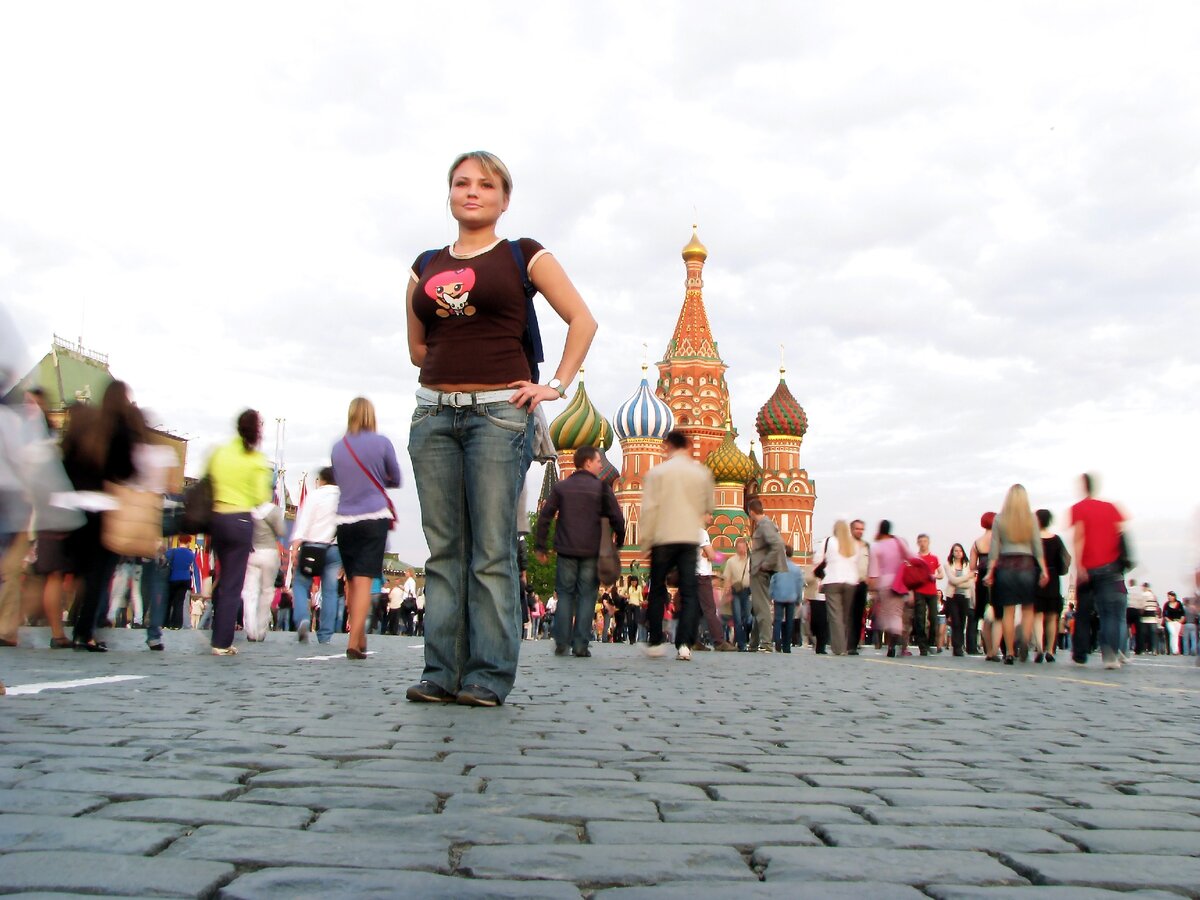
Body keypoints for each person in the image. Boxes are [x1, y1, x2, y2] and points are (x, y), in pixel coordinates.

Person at [405, 151, 597, 706]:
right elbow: (418, 347)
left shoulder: (523, 255)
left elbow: (582, 319)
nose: (472, 192)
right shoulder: (425, 264)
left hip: (499, 413)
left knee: (490, 549)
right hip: (434, 412)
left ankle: (488, 675)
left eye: (485, 185)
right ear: (449, 194)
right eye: (462, 183)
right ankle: (441, 671)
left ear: (503, 199)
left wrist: (556, 386)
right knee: (444, 550)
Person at [59, 381, 151, 652]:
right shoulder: (119, 431)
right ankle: (84, 631)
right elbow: (127, 470)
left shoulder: (87, 428)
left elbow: (65, 464)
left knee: (80, 572)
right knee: (98, 575)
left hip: (77, 507)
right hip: (106, 510)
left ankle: (73, 624)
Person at [534, 444, 624, 658]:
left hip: (565, 550)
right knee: (586, 596)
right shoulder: (602, 488)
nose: (600, 464)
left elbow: (545, 516)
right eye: (598, 461)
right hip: (591, 552)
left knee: (565, 595)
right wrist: (617, 543)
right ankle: (581, 644)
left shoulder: (562, 487)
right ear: (587, 462)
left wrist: (540, 545)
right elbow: (618, 519)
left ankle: (561, 641)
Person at [330, 397, 400, 661]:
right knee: (364, 579)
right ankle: (353, 639)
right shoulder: (382, 443)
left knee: (351, 581)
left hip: (345, 519)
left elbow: (340, 479)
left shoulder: (338, 447)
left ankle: (359, 636)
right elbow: (395, 476)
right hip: (373, 517)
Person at [640, 430, 715, 661]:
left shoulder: (658, 473)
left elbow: (649, 508)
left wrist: (645, 541)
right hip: (689, 537)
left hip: (663, 537)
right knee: (689, 592)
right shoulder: (702, 473)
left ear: (669, 446)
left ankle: (655, 641)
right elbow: (708, 508)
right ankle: (684, 644)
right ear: (688, 446)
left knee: (657, 591)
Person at [207, 409, 272, 656]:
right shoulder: (255, 459)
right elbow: (260, 496)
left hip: (217, 518)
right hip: (241, 520)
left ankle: (215, 628)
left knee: (220, 578)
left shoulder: (220, 452)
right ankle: (222, 641)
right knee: (233, 584)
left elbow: (209, 480)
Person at [1068, 473, 1127, 669]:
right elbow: (1120, 533)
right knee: (1109, 613)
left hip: (1088, 566)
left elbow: (1079, 536)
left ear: (1082, 487)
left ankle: (1080, 653)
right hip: (1110, 566)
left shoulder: (1078, 508)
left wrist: (1079, 565)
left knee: (1083, 611)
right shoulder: (1111, 507)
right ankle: (1110, 654)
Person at [985, 485, 1048, 665]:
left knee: (1008, 611)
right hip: (1027, 565)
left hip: (1005, 565)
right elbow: (1037, 547)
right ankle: (1024, 644)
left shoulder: (999, 519)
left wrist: (990, 571)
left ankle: (1010, 651)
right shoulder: (1032, 519)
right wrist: (1043, 569)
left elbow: (994, 549)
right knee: (1028, 609)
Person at [289, 467, 341, 644]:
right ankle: (325, 635)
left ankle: (303, 618)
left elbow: (303, 523)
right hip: (334, 549)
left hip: (311, 546)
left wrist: (295, 548)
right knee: (330, 592)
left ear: (322, 480)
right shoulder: (344, 497)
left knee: (300, 584)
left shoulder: (315, 496)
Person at [811, 521, 857, 656]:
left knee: (835, 615)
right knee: (846, 615)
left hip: (832, 581)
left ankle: (839, 648)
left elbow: (817, 561)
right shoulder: (852, 543)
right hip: (850, 582)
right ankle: (848, 644)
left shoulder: (827, 542)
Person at [242, 498, 285, 642]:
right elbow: (281, 531)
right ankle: (261, 629)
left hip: (252, 553)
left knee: (250, 593)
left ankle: (250, 629)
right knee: (266, 592)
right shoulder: (273, 510)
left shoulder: (247, 508)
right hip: (269, 553)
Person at [868, 520, 912, 657]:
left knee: (887, 613)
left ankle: (891, 642)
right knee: (897, 613)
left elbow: (873, 570)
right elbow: (911, 557)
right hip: (899, 582)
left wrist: (873, 588)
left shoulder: (876, 547)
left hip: (884, 583)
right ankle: (894, 637)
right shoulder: (899, 542)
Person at [748, 498, 787, 653]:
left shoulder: (764, 525)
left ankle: (766, 643)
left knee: (762, 606)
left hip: (760, 570)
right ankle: (754, 643)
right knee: (759, 605)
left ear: (751, 511)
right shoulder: (765, 524)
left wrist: (766, 563)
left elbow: (778, 544)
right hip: (760, 569)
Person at [695, 514, 736, 651]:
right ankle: (719, 641)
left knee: (694, 610)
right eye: (709, 514)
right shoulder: (701, 532)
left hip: (692, 574)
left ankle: (692, 640)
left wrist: (708, 554)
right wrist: (720, 557)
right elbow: (712, 555)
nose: (711, 517)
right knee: (710, 609)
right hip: (702, 575)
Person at [1034, 509, 1071, 663]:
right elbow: (1067, 557)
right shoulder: (1056, 539)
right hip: (1054, 578)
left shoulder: (1033, 539)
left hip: (1036, 577)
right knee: (1051, 617)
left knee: (1037, 615)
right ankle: (1050, 649)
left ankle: (1039, 648)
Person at [970, 513, 997, 659]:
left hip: (982, 578)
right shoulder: (1000, 540)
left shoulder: (977, 543)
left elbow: (972, 566)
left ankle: (988, 649)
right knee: (999, 614)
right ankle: (997, 648)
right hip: (997, 577)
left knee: (985, 617)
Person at [912, 534, 944, 656]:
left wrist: (934, 576)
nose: (923, 543)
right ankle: (922, 645)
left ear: (928, 542)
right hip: (919, 591)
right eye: (920, 541)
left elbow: (941, 574)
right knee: (920, 619)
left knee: (934, 618)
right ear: (917, 543)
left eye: (925, 541)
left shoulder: (934, 558)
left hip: (932, 591)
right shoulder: (915, 558)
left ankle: (931, 642)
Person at [770, 546, 804, 653]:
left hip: (778, 596)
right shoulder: (796, 569)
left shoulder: (777, 568)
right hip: (791, 597)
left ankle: (777, 642)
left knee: (777, 620)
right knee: (790, 621)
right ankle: (787, 646)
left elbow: (772, 583)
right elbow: (799, 585)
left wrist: (770, 595)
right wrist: (799, 599)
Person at [722, 538, 753, 651]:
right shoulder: (731, 561)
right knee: (737, 619)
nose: (741, 549)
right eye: (739, 547)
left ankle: (745, 637)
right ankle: (741, 644)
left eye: (743, 547)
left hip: (748, 591)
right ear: (736, 548)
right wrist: (726, 592)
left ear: (746, 547)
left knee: (748, 618)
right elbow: (727, 578)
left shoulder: (751, 560)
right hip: (736, 592)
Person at [943, 543, 973, 656]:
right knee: (955, 621)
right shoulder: (948, 565)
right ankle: (957, 646)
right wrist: (965, 578)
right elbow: (952, 580)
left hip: (964, 596)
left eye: (960, 551)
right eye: (956, 551)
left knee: (962, 621)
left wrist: (958, 581)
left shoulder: (967, 565)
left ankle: (960, 645)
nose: (958, 553)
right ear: (952, 552)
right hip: (952, 597)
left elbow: (969, 584)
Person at [847, 519, 871, 654]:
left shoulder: (866, 545)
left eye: (862, 529)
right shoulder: (847, 545)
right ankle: (846, 642)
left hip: (862, 584)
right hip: (849, 582)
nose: (860, 531)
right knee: (847, 614)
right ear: (851, 530)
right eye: (857, 528)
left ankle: (853, 645)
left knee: (858, 616)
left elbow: (871, 563)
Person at [164, 538, 196, 630]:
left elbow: (165, 557)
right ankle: (177, 625)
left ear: (179, 541)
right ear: (188, 542)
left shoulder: (173, 552)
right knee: (179, 602)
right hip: (185, 579)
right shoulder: (191, 554)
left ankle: (166, 623)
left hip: (173, 578)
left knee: (169, 601)